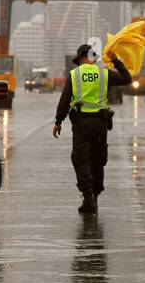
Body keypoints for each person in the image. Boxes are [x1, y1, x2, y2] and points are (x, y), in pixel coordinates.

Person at [52, 43, 131, 214]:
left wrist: (58, 121)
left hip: (81, 125)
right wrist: (116, 61)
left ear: (81, 57)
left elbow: (65, 100)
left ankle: (88, 197)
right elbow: (127, 79)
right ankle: (95, 196)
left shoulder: (75, 75)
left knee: (81, 161)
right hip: (100, 125)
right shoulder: (104, 73)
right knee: (98, 161)